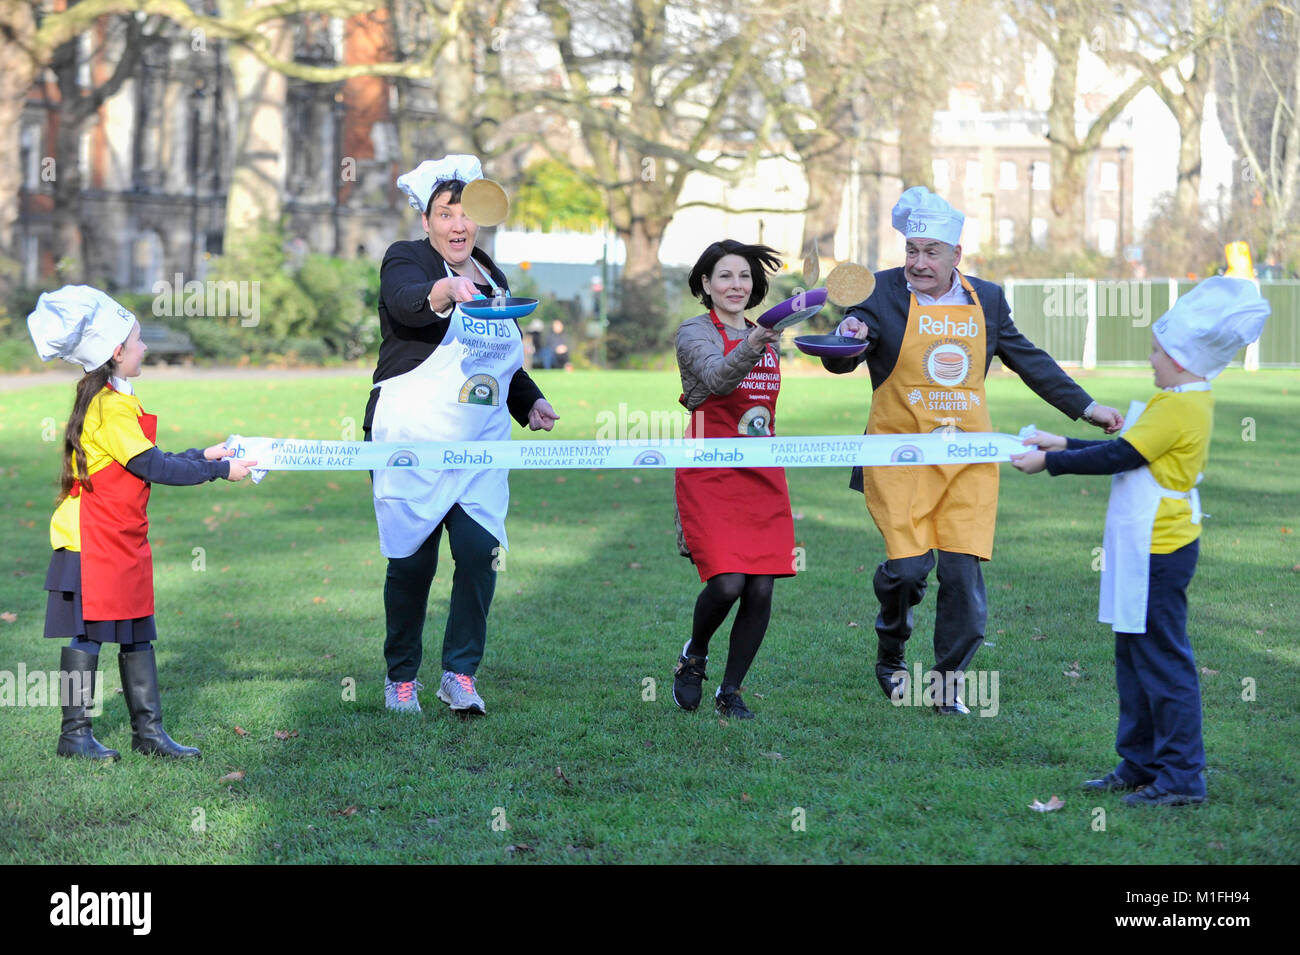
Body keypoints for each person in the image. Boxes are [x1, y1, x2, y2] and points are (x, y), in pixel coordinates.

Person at [823, 186, 1125, 713]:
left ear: (955, 255)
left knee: (962, 578)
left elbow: (1029, 361)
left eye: (931, 252)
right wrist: (847, 333)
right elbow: (843, 354)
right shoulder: (878, 293)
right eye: (912, 250)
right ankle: (891, 653)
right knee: (908, 572)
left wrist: (1088, 407)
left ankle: (945, 685)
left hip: (967, 460)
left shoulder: (986, 297)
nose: (918, 263)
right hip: (897, 457)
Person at [1010, 276, 1268, 805]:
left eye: (1156, 349)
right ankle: (1141, 761)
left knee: (1162, 660)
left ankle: (1181, 778)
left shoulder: (1177, 407)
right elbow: (1131, 447)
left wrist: (1050, 462)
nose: (1150, 357)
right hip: (1141, 545)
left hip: (1159, 549)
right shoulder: (1174, 398)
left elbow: (1118, 457)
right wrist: (1061, 441)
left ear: (1179, 356)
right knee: (1134, 654)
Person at [367, 155, 559, 716]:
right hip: (412, 437)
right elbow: (408, 304)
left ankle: (459, 674)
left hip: (480, 444)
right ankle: (401, 678)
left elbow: (497, 359)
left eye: (466, 214)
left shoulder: (491, 274)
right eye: (445, 213)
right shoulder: (405, 258)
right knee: (411, 562)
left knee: (481, 553)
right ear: (426, 220)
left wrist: (530, 400)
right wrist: (445, 290)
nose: (458, 225)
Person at [27, 286, 254, 760]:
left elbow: (151, 460)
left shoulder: (117, 399)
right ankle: (74, 736)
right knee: (87, 635)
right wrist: (218, 470)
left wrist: (203, 454)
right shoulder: (108, 407)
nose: (144, 347)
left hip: (120, 536)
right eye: (137, 340)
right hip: (92, 538)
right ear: (117, 352)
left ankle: (148, 734)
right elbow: (155, 468)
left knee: (136, 630)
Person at [671, 240, 793, 719]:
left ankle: (731, 691)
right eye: (724, 276)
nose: (735, 285)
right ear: (706, 284)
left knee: (761, 587)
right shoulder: (693, 332)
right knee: (727, 583)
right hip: (710, 470)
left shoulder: (767, 335)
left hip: (762, 472)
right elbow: (718, 380)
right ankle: (694, 654)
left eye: (743, 276)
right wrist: (754, 342)